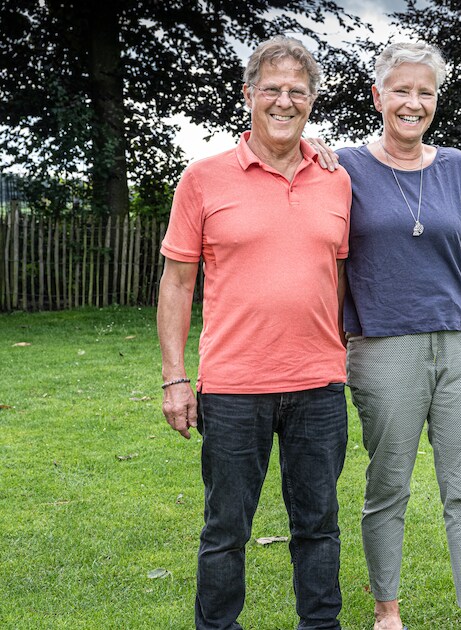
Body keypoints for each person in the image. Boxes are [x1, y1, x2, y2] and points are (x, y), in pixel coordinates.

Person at [157, 36, 352, 629]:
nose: (284, 101)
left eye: (298, 91)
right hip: (233, 386)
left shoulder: (336, 179)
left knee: (318, 525)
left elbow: (338, 275)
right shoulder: (203, 179)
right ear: (248, 95)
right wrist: (175, 378)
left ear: (311, 100)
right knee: (225, 529)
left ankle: (320, 625)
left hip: (318, 385)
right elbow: (176, 283)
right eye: (272, 89)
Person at [334, 40, 461, 630]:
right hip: (383, 346)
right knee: (388, 485)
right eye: (401, 91)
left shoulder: (458, 167)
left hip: (459, 344)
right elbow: (330, 262)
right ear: (377, 96)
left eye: (425, 92)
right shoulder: (343, 168)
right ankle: (387, 611)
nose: (413, 103)